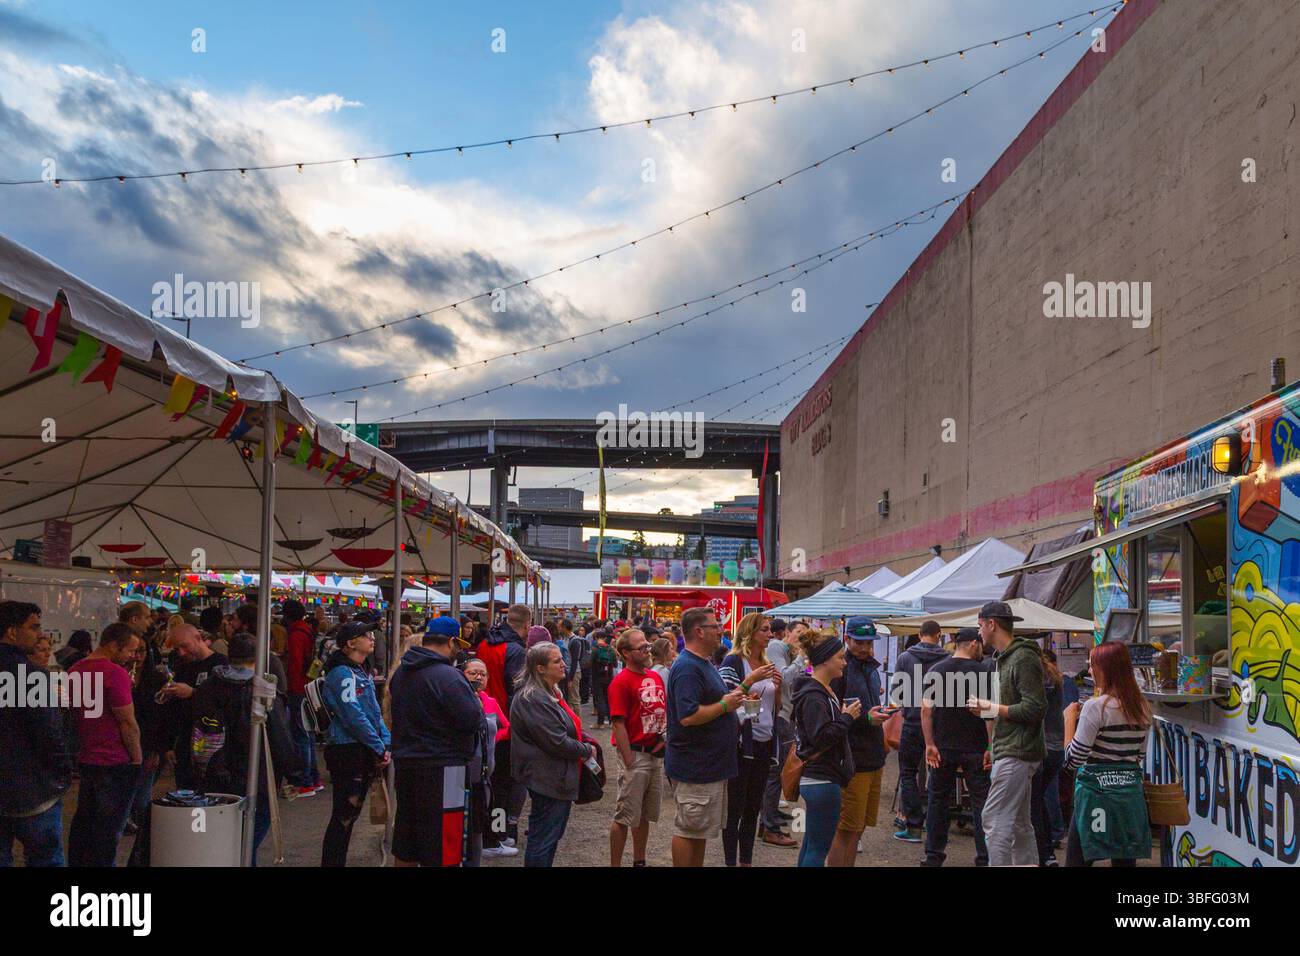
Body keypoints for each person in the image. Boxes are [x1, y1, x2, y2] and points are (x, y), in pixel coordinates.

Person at [190, 631, 297, 865]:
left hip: (212, 770)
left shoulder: (207, 686)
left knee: (224, 834)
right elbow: (279, 735)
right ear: (258, 657)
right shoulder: (263, 691)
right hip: (254, 772)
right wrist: (293, 771)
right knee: (250, 835)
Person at [389, 616, 485, 867]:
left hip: (408, 763)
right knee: (444, 845)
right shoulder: (449, 677)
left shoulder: (401, 672)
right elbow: (473, 719)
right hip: (444, 767)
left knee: (406, 843)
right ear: (452, 641)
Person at [966, 601, 1046, 867]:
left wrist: (992, 708)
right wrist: (992, 738)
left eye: (980, 626)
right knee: (1020, 823)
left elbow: (1035, 708)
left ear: (991, 624)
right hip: (1011, 749)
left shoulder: (1022, 657)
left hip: (1018, 751)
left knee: (994, 819)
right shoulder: (1005, 658)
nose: (979, 633)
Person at [665, 608, 745, 867]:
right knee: (689, 829)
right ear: (699, 631)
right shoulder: (688, 667)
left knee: (698, 831)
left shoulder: (702, 663)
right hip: (695, 765)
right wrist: (725, 706)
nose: (721, 630)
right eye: (715, 626)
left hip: (708, 766)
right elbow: (687, 716)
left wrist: (728, 701)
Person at [1062, 641, 1152, 867]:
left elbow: (1073, 760)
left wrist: (1068, 721)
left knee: (1078, 861)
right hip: (1128, 798)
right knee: (1124, 862)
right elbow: (1139, 756)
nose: (1090, 671)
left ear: (1105, 669)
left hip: (1095, 796)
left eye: (1092, 665)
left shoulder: (1096, 707)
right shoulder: (1142, 707)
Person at [509, 642, 595, 867]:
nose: (563, 664)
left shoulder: (549, 692)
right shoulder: (533, 697)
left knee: (548, 836)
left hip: (553, 775)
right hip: (547, 777)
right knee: (543, 839)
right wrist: (587, 749)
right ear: (540, 668)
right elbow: (555, 741)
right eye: (556, 661)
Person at [0, 601, 72, 867]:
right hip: (34, 788)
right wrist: (62, 772)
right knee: (46, 858)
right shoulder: (32, 677)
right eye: (34, 627)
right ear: (11, 632)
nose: (40, 634)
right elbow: (49, 732)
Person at [68, 623, 143, 867]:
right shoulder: (114, 673)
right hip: (115, 760)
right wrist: (137, 757)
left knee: (85, 826)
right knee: (108, 831)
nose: (132, 656)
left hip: (88, 757)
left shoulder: (75, 670)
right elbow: (127, 722)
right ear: (113, 645)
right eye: (129, 650)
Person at [319, 622, 391, 866]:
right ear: (350, 643)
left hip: (361, 747)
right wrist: (378, 745)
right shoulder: (341, 673)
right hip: (346, 749)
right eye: (366, 635)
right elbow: (353, 716)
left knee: (351, 814)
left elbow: (373, 711)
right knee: (343, 816)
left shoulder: (360, 670)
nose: (372, 638)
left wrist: (384, 740)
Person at [920, 627, 992, 867]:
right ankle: (984, 858)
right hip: (976, 747)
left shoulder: (936, 671)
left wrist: (929, 743)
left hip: (943, 746)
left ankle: (933, 856)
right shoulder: (985, 671)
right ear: (973, 643)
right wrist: (991, 747)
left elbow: (926, 711)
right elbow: (991, 715)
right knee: (982, 802)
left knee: (937, 800)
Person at [718, 612, 782, 866]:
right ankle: (730, 862)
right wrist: (751, 680)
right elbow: (724, 698)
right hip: (742, 743)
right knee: (735, 807)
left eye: (769, 630)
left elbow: (775, 706)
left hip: (765, 741)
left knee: (753, 807)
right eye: (764, 630)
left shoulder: (767, 663)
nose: (769, 634)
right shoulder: (733, 661)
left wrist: (779, 687)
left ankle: (746, 861)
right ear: (750, 633)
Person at [791, 627, 858, 867]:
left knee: (812, 844)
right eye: (840, 658)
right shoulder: (814, 695)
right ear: (825, 660)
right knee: (818, 849)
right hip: (821, 777)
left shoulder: (819, 691)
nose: (844, 663)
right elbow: (821, 737)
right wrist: (846, 718)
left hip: (820, 777)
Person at [828, 617, 892, 866]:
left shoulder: (871, 668)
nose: (865, 648)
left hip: (874, 756)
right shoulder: (839, 668)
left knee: (859, 828)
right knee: (845, 829)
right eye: (859, 642)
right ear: (847, 639)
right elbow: (833, 716)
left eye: (869, 642)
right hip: (852, 760)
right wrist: (867, 717)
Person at [607, 628, 667, 867]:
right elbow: (617, 722)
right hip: (636, 752)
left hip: (654, 753)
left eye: (647, 645)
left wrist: (662, 740)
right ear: (625, 653)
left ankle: (639, 860)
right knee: (625, 814)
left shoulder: (654, 676)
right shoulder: (621, 681)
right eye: (641, 647)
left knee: (644, 814)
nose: (647, 649)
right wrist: (629, 757)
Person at [479, 603, 530, 847]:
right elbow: (517, 693)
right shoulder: (515, 650)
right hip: (506, 726)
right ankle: (499, 834)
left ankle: (494, 833)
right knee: (505, 784)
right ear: (527, 625)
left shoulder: (486, 643)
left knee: (493, 782)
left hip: (485, 722)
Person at [891, 618, 947, 842]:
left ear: (919, 633)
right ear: (939, 634)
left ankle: (913, 826)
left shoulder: (905, 658)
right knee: (939, 776)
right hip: (939, 726)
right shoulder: (948, 659)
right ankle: (935, 826)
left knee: (907, 773)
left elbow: (897, 694)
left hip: (913, 722)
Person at [160, 622, 227, 791]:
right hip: (184, 743)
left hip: (211, 742)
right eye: (177, 648)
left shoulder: (220, 664)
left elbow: (225, 703)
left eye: (184, 646)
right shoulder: (183, 667)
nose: (182, 652)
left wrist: (193, 693)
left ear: (198, 638)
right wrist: (169, 745)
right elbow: (174, 711)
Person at [464, 658, 517, 859]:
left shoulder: (491, 701)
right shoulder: (461, 699)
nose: (479, 677)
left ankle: (497, 837)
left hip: (494, 761)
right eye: (473, 673)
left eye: (483, 674)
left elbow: (506, 727)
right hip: (471, 765)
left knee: (498, 800)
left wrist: (490, 736)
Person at [281, 599, 321, 795]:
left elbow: (295, 663)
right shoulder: (307, 630)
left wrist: (290, 686)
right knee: (309, 735)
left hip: (298, 689)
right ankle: (313, 778)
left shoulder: (296, 634)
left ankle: (305, 781)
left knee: (301, 735)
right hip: (308, 686)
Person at [1032, 646, 1067, 866]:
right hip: (1056, 748)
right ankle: (1047, 851)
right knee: (1039, 800)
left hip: (1039, 747)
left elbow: (1030, 711)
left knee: (1033, 803)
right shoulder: (1054, 676)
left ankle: (1043, 853)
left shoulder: (1037, 678)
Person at [591, 628, 617, 727]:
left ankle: (600, 722)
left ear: (596, 638)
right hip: (609, 677)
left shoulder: (595, 649)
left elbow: (591, 663)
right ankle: (611, 721)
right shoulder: (611, 649)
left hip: (597, 677)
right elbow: (615, 664)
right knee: (608, 698)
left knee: (599, 699)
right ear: (605, 638)